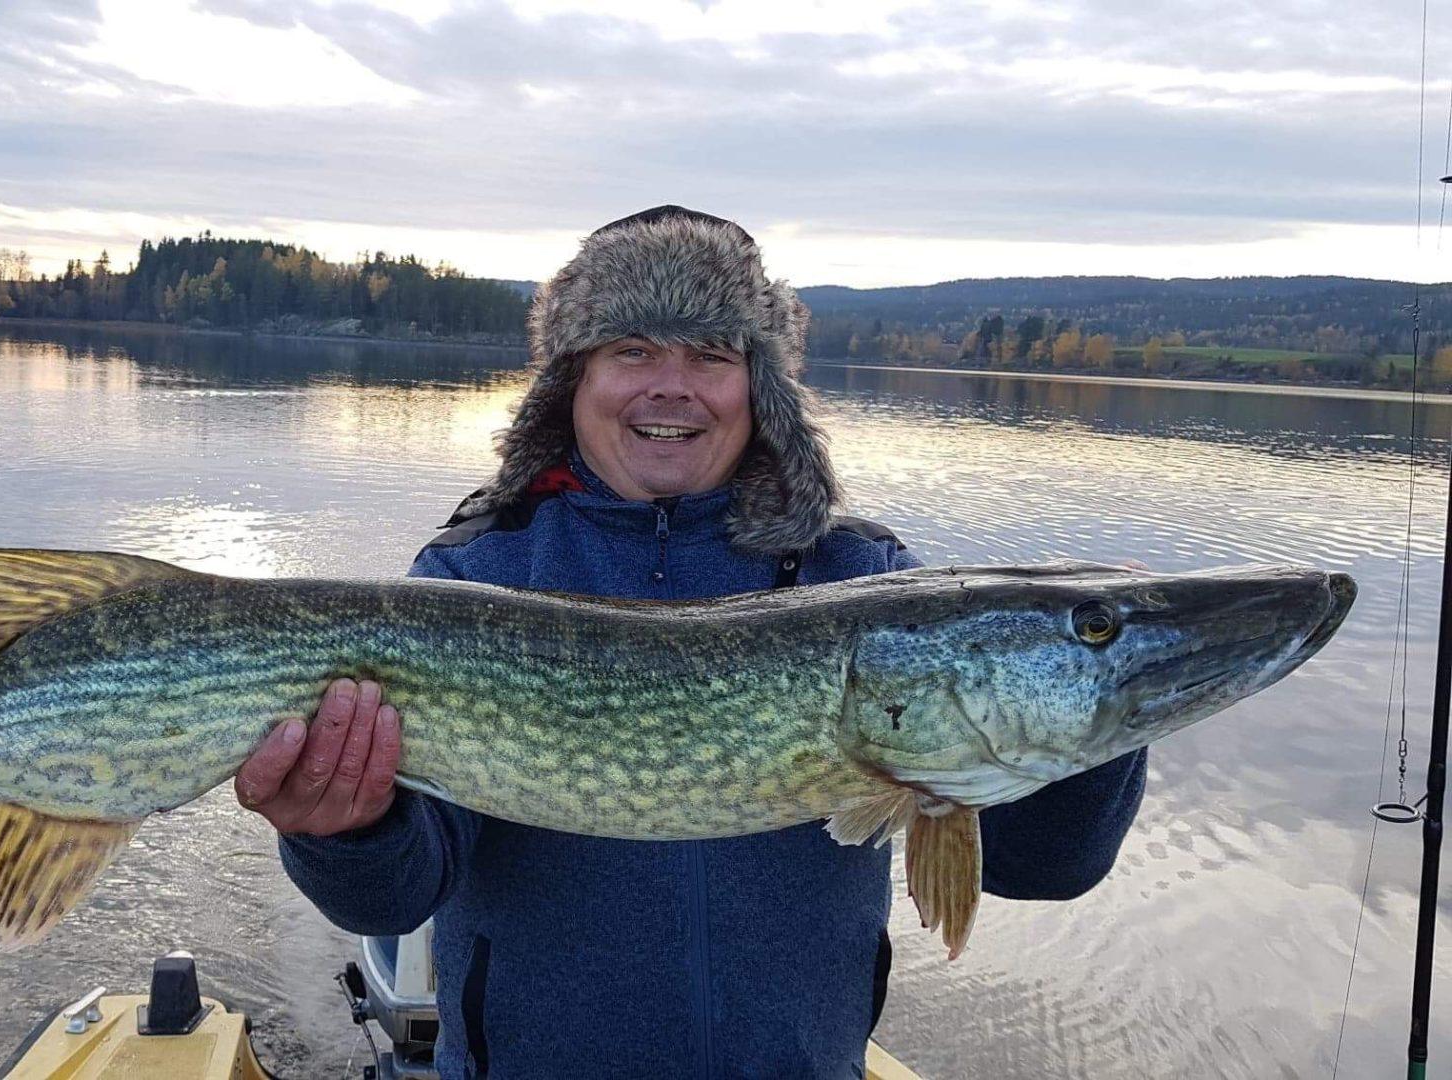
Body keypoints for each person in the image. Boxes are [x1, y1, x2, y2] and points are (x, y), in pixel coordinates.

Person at [234, 206, 1147, 1079]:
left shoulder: (863, 578)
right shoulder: (475, 578)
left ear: (760, 388)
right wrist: (344, 834)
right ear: (575, 382)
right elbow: (395, 898)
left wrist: (1098, 697)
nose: (669, 384)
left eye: (710, 354)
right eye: (632, 350)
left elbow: (1047, 866)